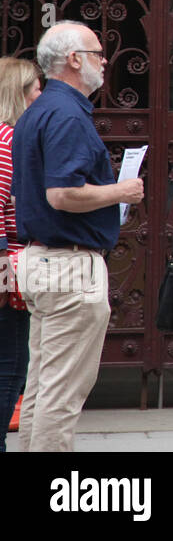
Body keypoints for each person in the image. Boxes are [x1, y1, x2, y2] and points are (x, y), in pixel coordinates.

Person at [12, 22, 143, 452]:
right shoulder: (66, 114)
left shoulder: (38, 112)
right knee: (61, 395)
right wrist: (121, 191)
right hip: (69, 267)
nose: (105, 60)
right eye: (97, 51)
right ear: (73, 59)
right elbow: (62, 193)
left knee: (43, 386)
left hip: (42, 261)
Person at [0, 58, 39, 451]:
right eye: (35, 89)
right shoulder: (7, 139)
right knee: (10, 368)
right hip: (8, 269)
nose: (41, 96)